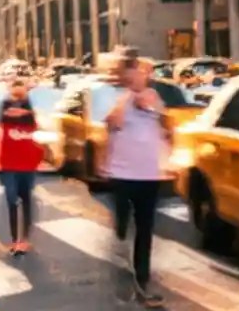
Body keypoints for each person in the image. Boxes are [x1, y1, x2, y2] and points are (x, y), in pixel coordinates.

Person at [102, 47, 167, 308]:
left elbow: (161, 118)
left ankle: (142, 278)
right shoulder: (120, 99)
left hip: (149, 173)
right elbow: (112, 123)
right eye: (136, 72)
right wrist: (128, 98)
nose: (140, 76)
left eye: (144, 73)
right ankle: (119, 228)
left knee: (145, 228)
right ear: (128, 76)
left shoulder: (153, 96)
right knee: (122, 217)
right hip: (122, 173)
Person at [0, 79, 42, 255]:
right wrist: (18, 110)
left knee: (26, 200)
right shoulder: (5, 108)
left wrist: (21, 110)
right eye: (14, 90)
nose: (17, 94)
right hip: (9, 163)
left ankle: (24, 240)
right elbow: (6, 115)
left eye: (21, 91)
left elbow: (28, 118)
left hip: (27, 163)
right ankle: (15, 239)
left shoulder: (30, 114)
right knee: (11, 200)